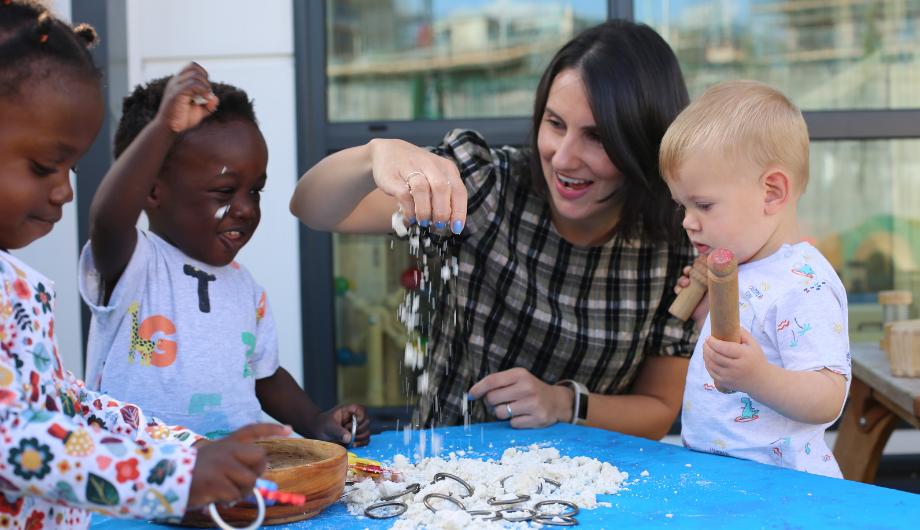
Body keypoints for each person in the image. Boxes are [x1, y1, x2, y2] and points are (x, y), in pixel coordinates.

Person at [291, 20, 697, 438]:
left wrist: (562, 403)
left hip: (599, 485)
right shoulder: (486, 185)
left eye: (596, 136)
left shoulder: (674, 240)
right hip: (451, 478)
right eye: (555, 124)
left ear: (644, 143)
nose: (563, 158)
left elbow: (659, 410)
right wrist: (374, 155)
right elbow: (312, 208)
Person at [0, 2, 291, 527]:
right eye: (45, 165)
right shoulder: (135, 261)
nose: (64, 190)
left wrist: (190, 452)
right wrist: (177, 477)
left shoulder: (17, 286)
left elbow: (74, 407)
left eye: (70, 167)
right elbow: (13, 441)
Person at [79, 63, 371, 445]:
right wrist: (164, 127)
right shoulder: (133, 263)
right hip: (142, 483)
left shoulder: (244, 287)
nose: (246, 208)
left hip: (229, 479)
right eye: (224, 191)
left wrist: (316, 420)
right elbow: (108, 218)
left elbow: (265, 377)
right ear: (152, 190)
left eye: (255, 190)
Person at [661, 80, 850, 477]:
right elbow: (750, 337)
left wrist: (758, 378)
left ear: (771, 192)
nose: (687, 222)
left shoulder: (804, 282)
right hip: (721, 479)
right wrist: (704, 317)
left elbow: (829, 397)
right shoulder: (739, 267)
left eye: (704, 205)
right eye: (682, 205)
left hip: (780, 488)